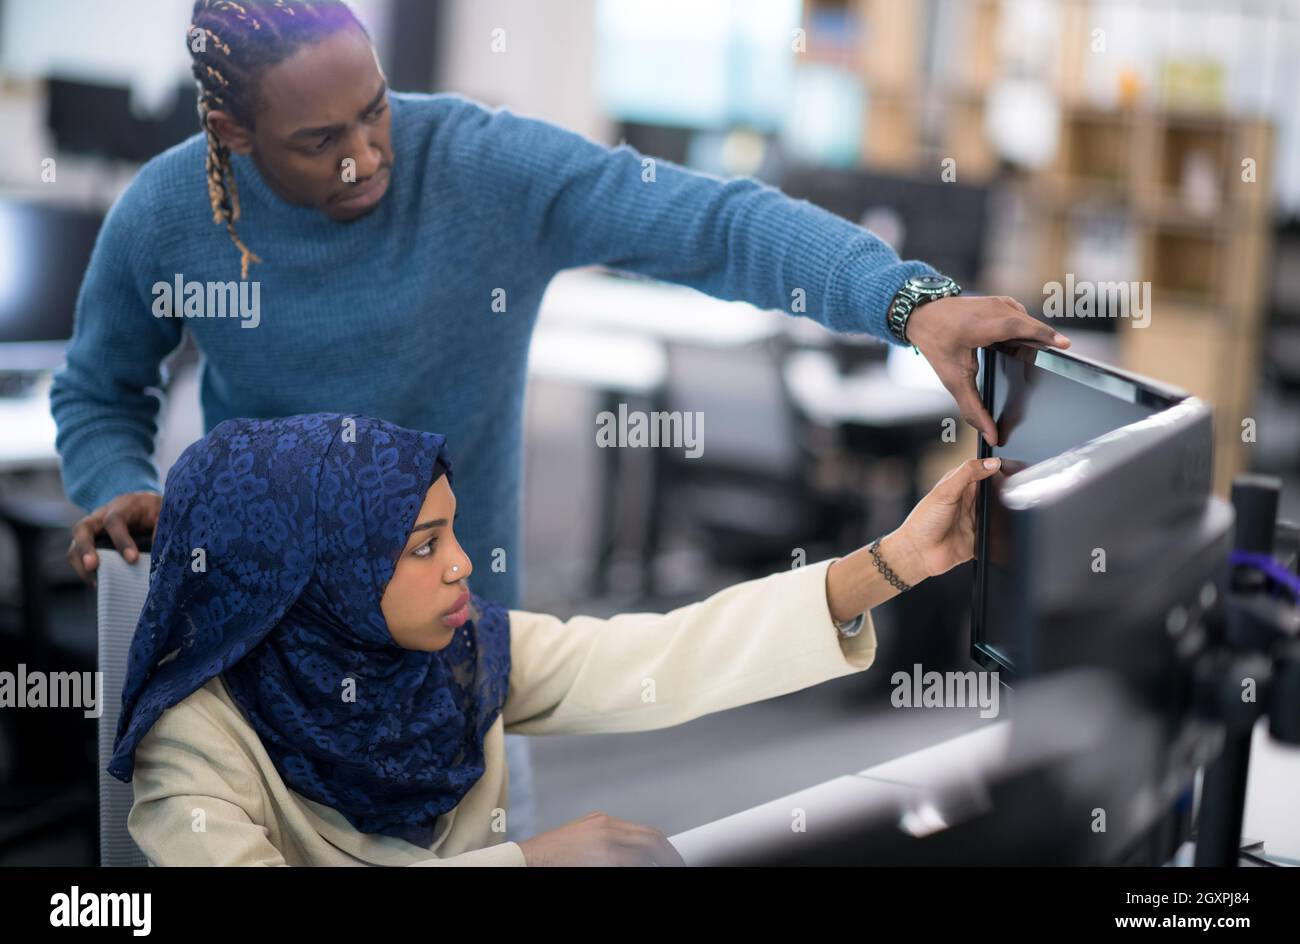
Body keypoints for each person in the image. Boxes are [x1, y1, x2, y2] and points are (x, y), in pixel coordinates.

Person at [54, 0, 1067, 840]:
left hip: (464, 650)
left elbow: (708, 222)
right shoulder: (167, 212)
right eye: (321, 142)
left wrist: (904, 300)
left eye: (375, 113)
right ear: (231, 133)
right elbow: (100, 390)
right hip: (270, 659)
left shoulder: (482, 168)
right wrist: (114, 484)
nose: (367, 157)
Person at [111, 412, 999, 866]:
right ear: (319, 577)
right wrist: (532, 860)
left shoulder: (460, 655)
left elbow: (658, 657)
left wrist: (891, 563)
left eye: (452, 533)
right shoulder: (196, 742)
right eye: (424, 547)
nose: (463, 567)